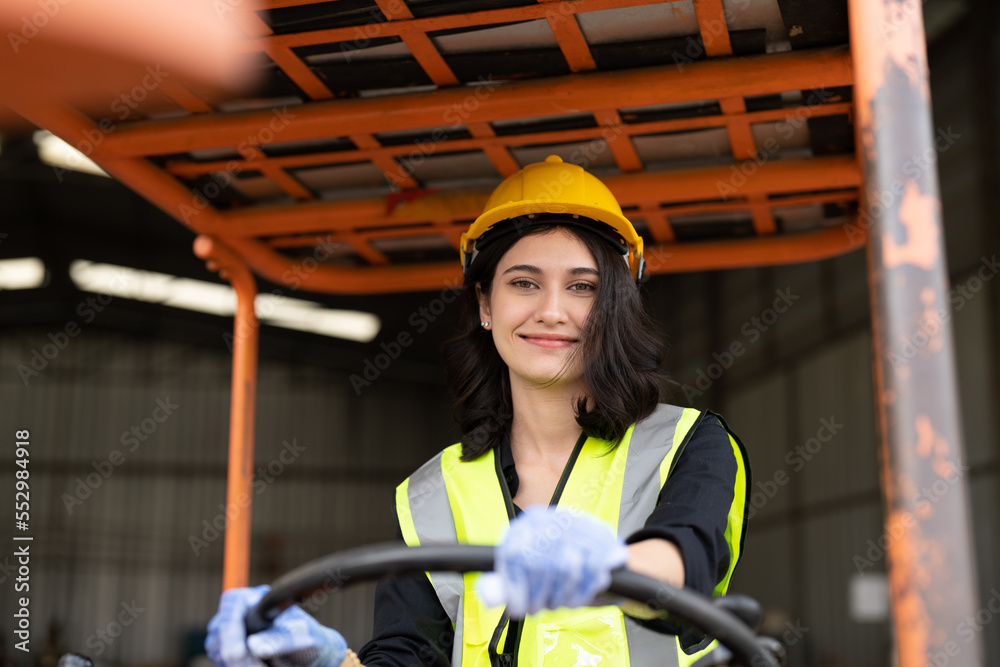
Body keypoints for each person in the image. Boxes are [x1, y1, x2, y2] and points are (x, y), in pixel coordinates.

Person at [205, 155, 751, 667]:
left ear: (613, 307)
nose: (553, 311)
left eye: (583, 287)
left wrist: (614, 567)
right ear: (486, 305)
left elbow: (687, 565)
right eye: (523, 283)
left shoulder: (687, 444)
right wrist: (323, 662)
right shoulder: (431, 497)